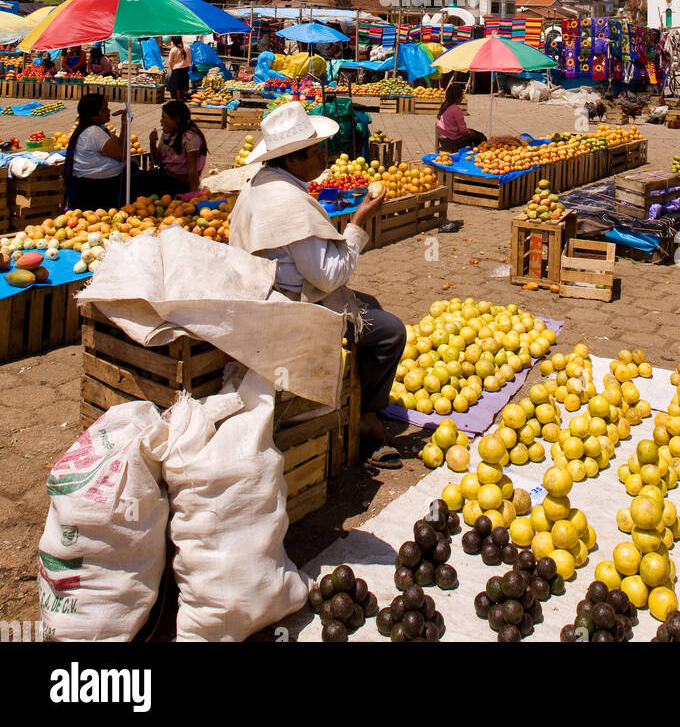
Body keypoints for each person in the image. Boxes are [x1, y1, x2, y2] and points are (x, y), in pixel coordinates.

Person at [229, 103, 404, 452]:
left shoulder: (261, 181)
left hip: (259, 293)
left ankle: (359, 392)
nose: (325, 156)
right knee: (391, 332)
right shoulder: (288, 204)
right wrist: (358, 222)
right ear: (292, 160)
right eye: (316, 151)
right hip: (290, 309)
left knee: (370, 305)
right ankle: (365, 413)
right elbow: (329, 277)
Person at [64, 93, 127, 210]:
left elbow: (120, 146)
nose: (109, 110)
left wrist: (125, 124)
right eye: (104, 109)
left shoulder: (99, 128)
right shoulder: (93, 133)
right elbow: (122, 154)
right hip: (96, 189)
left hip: (100, 185)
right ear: (93, 116)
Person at [147, 100, 208, 196]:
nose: (161, 121)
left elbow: (192, 170)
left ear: (176, 119)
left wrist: (193, 196)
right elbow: (158, 161)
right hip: (166, 176)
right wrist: (152, 144)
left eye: (164, 118)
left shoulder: (190, 137)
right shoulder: (168, 134)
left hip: (181, 184)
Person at [436, 84, 483, 152]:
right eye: (461, 95)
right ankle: (477, 156)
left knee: (473, 132)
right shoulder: (456, 109)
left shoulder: (445, 105)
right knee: (479, 137)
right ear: (457, 97)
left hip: (443, 140)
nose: (462, 97)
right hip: (452, 142)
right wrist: (472, 133)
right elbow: (463, 131)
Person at [166, 35, 192, 101]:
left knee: (177, 85)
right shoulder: (187, 48)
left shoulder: (173, 50)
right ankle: (182, 96)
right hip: (185, 68)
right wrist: (188, 66)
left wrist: (172, 67)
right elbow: (190, 59)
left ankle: (178, 97)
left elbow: (170, 61)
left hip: (176, 69)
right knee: (183, 83)